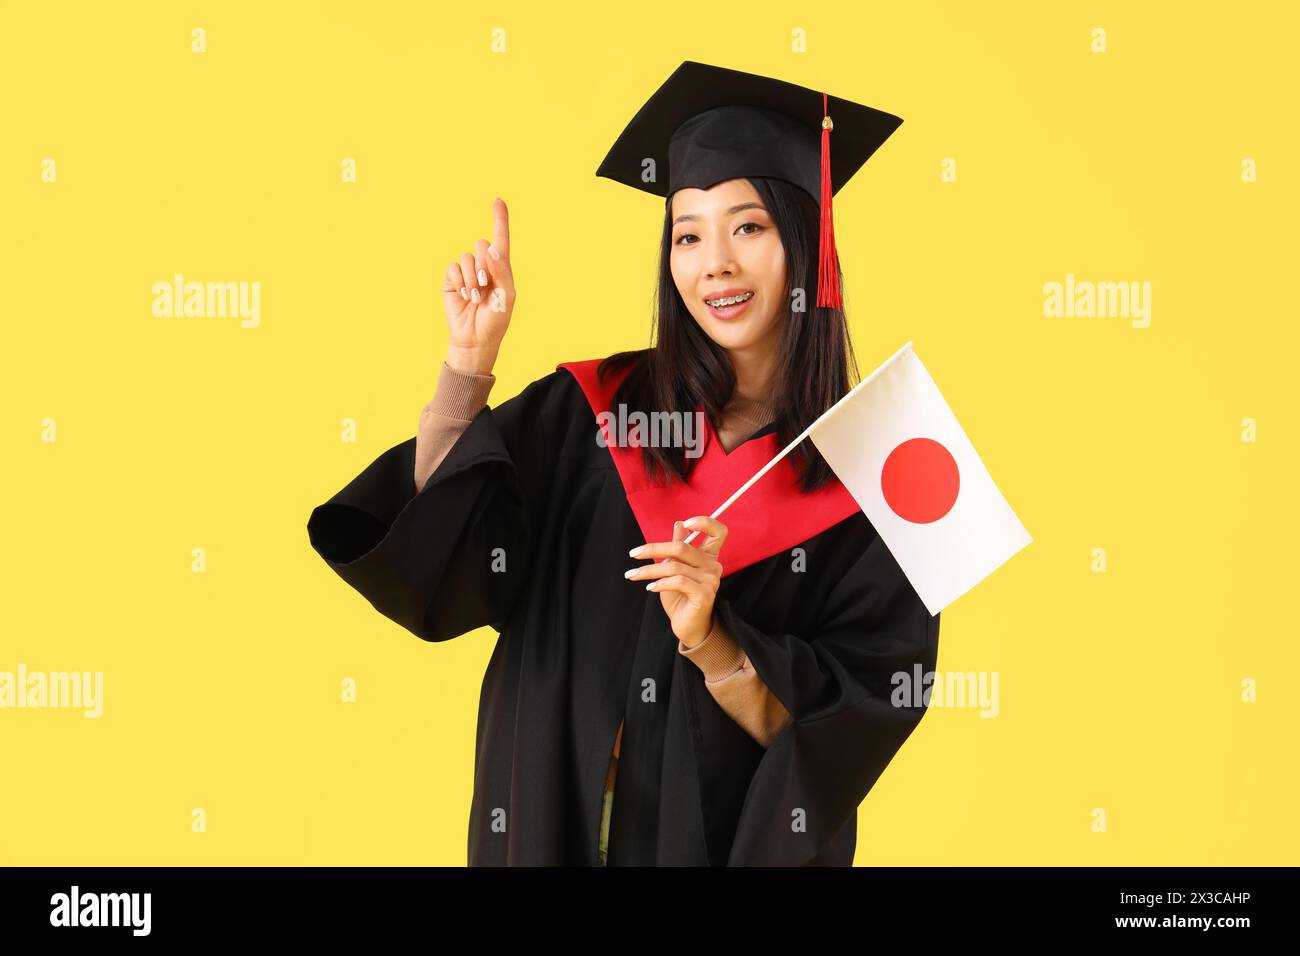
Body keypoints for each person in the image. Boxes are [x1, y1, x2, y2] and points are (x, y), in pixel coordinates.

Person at [306, 61, 940, 866]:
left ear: (809, 247)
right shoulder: (593, 409)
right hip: (539, 819)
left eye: (748, 227)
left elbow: (839, 739)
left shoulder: (870, 473)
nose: (714, 263)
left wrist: (713, 639)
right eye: (687, 234)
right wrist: (468, 363)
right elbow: (447, 551)